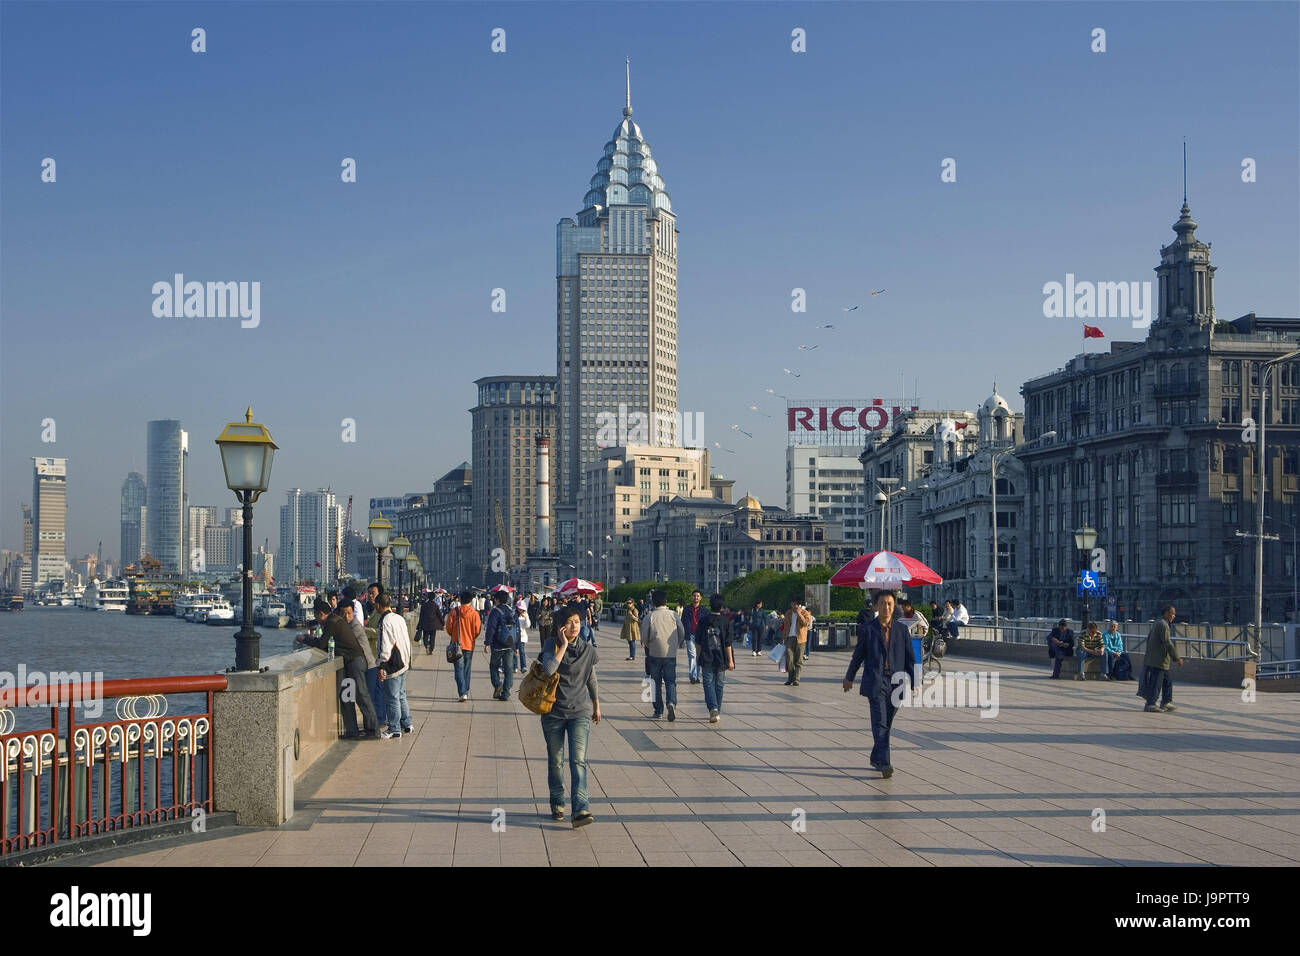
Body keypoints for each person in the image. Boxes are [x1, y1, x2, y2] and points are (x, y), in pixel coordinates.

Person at [843, 589, 916, 778]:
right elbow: (858, 655)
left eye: (890, 603)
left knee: (887, 724)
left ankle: (876, 756)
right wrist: (849, 677)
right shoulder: (868, 629)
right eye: (883, 603)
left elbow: (910, 658)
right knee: (880, 723)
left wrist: (915, 681)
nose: (887, 607)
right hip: (876, 682)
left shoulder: (902, 630)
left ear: (895, 606)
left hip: (896, 683)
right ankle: (885, 763)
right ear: (876, 606)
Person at [539, 606, 601, 827]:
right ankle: (557, 803)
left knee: (578, 761)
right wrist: (563, 645)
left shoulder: (587, 649)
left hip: (580, 712)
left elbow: (590, 678)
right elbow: (548, 669)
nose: (575, 626)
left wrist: (596, 704)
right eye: (570, 622)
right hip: (553, 712)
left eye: (578, 621)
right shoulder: (551, 644)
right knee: (556, 761)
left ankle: (581, 809)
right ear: (560, 626)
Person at [298, 598, 378, 739]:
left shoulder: (331, 622)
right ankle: (351, 731)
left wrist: (305, 639)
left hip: (355, 661)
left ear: (322, 614)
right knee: (346, 697)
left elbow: (322, 644)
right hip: (348, 662)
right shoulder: (335, 620)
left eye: (317, 616)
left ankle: (373, 730)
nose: (317, 620)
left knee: (361, 694)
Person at [374, 594, 413, 739]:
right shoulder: (399, 617)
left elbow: (385, 645)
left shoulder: (384, 621)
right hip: (404, 661)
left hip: (393, 663)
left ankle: (394, 729)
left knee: (392, 697)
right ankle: (407, 724)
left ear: (378, 605)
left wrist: (381, 665)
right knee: (401, 695)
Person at [642, 589, 684, 720]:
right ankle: (671, 702)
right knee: (670, 681)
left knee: (655, 683)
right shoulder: (674, 615)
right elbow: (681, 632)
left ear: (653, 602)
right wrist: (676, 644)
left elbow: (644, 637)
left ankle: (658, 710)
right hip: (670, 654)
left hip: (654, 653)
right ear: (666, 601)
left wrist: (650, 645)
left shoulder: (650, 616)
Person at [694, 594, 736, 723]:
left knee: (708, 684)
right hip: (721, 658)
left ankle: (713, 708)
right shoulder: (726, 622)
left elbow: (698, 642)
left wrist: (698, 656)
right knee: (719, 685)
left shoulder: (703, 621)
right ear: (721, 607)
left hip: (706, 656)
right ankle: (716, 709)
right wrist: (731, 660)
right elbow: (728, 643)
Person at [1141, 605, 1183, 712]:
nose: (1174, 615)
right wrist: (1176, 658)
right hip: (1158, 660)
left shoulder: (1159, 623)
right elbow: (1167, 643)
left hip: (1161, 660)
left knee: (1167, 681)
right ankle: (1150, 704)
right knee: (1156, 683)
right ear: (1166, 613)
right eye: (1172, 613)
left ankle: (1166, 702)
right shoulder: (1163, 625)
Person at [446, 590, 481, 701]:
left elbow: (448, 628)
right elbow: (477, 630)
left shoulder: (454, 612)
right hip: (469, 644)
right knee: (467, 669)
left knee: (458, 669)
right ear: (471, 601)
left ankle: (462, 692)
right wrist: (471, 637)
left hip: (457, 644)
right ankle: (465, 689)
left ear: (460, 600)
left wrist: (454, 635)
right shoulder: (475, 614)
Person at [783, 599, 812, 686]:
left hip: (800, 639)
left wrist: (799, 613)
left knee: (798, 660)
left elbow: (805, 624)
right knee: (789, 659)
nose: (793, 606)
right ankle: (790, 678)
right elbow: (785, 625)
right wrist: (784, 637)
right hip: (790, 638)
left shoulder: (805, 613)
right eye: (792, 604)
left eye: (795, 604)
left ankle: (796, 679)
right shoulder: (788, 613)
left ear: (799, 605)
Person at [682, 590, 705, 684]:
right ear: (692, 597)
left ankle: (696, 675)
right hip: (690, 634)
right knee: (692, 656)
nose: (696, 597)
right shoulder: (687, 609)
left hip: (700, 635)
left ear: (700, 598)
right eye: (694, 596)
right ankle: (693, 676)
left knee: (698, 656)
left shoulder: (704, 610)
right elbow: (682, 621)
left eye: (698, 596)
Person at [515, 595, 532, 673]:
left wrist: (526, 618)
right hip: (514, 636)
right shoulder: (514, 614)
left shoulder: (525, 615)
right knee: (514, 651)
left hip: (522, 636)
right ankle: (514, 666)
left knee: (522, 651)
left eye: (522, 608)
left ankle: (523, 667)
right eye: (519, 608)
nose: (521, 610)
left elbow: (527, 625)